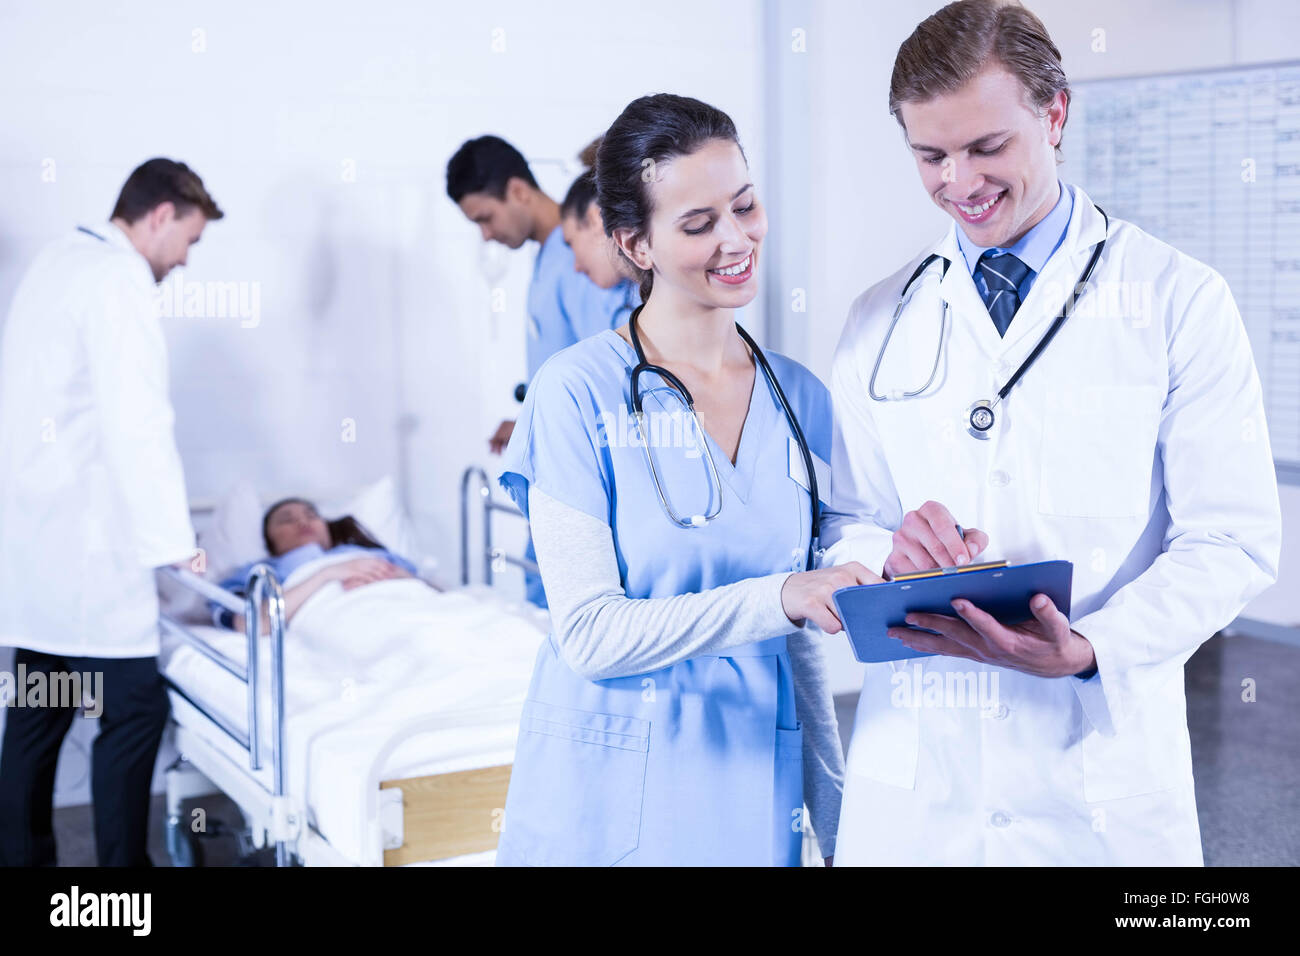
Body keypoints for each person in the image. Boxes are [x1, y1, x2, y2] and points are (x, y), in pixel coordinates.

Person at [822, 0, 1282, 866]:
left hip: (1095, 783)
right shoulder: (877, 319)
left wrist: (1092, 646)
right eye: (931, 155)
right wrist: (889, 554)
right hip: (922, 785)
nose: (960, 181)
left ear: (1055, 114)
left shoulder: (1178, 300)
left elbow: (1232, 540)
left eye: (986, 147)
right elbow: (847, 519)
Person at [493, 94, 878, 867]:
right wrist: (780, 596)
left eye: (745, 206)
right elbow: (590, 633)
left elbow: (806, 625)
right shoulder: (576, 393)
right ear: (634, 244)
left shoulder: (798, 397)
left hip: (751, 785)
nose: (736, 239)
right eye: (699, 224)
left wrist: (843, 831)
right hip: (606, 798)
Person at [0, 158, 224, 866]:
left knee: (38, 710)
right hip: (88, 552)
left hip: (38, 546)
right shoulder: (118, 279)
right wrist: (176, 547)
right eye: (188, 240)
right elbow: (138, 424)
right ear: (160, 216)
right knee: (134, 711)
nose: (183, 261)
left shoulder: (57, 261)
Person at [446, 135, 635, 608]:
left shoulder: (577, 261)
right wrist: (530, 419)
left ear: (518, 191)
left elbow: (609, 371)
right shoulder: (554, 256)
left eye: (485, 218)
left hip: (585, 471)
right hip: (560, 460)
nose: (486, 235)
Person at [210, 497, 426, 634]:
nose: (303, 522)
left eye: (311, 515)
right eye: (286, 520)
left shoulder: (370, 553)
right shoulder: (261, 571)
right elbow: (252, 623)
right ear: (269, 541)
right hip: (351, 623)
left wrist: (390, 573)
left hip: (414, 608)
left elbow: (431, 590)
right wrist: (328, 574)